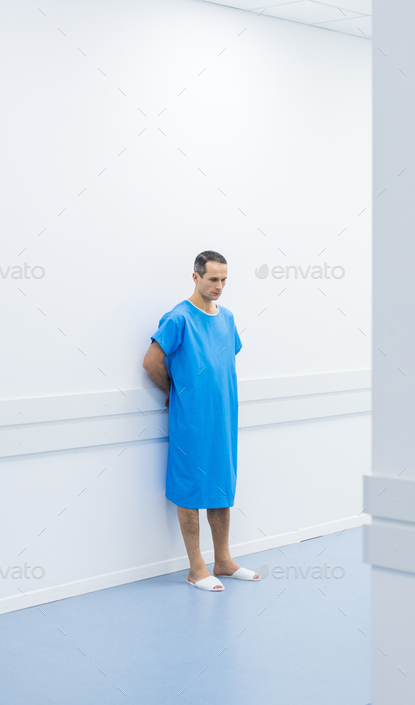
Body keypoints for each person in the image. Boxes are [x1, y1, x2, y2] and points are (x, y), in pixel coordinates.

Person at [142, 250, 259, 592]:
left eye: (224, 280)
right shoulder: (178, 318)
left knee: (221, 487)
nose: (219, 286)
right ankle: (196, 568)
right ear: (195, 277)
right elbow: (151, 363)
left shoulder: (227, 318)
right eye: (212, 279)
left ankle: (223, 560)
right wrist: (176, 392)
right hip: (191, 420)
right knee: (191, 489)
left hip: (222, 418)